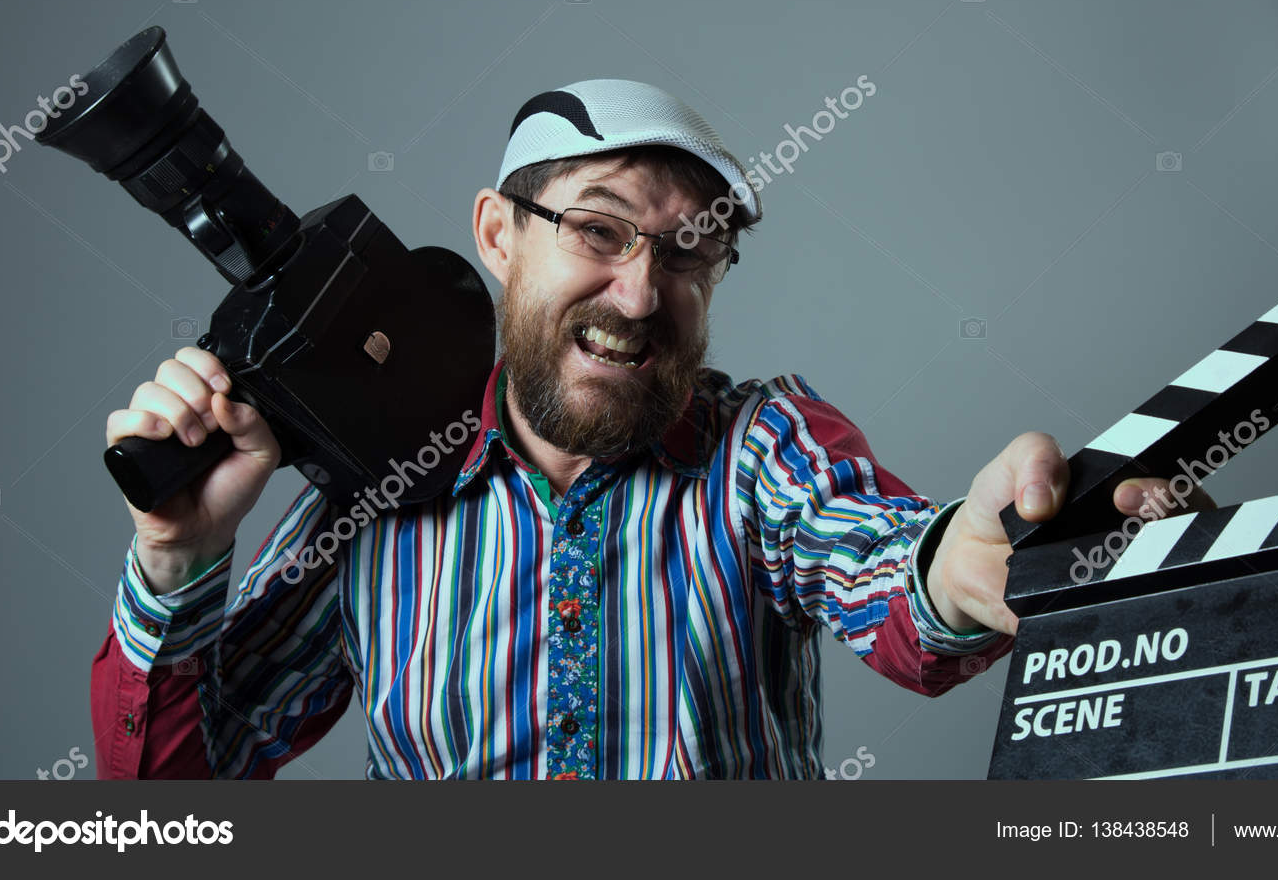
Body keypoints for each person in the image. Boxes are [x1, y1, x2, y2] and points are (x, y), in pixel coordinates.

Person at [90, 79, 1206, 778]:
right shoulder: (376, 493)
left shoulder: (758, 448)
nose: (639, 292)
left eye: (689, 251)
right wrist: (175, 557)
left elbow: (890, 573)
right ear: (497, 235)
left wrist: (968, 557)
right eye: (600, 230)